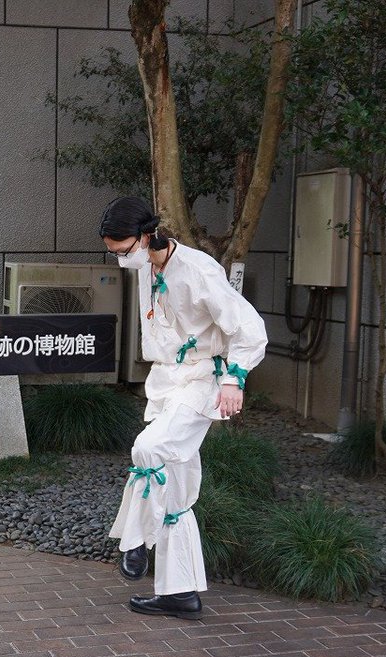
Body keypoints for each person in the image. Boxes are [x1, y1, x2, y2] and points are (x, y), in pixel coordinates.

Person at [100, 197, 267, 620]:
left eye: (123, 251)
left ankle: (134, 540)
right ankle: (180, 592)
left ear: (145, 237)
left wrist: (235, 379)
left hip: (201, 381)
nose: (120, 260)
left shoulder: (197, 270)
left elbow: (249, 329)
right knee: (175, 492)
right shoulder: (148, 266)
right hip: (166, 381)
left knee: (147, 450)